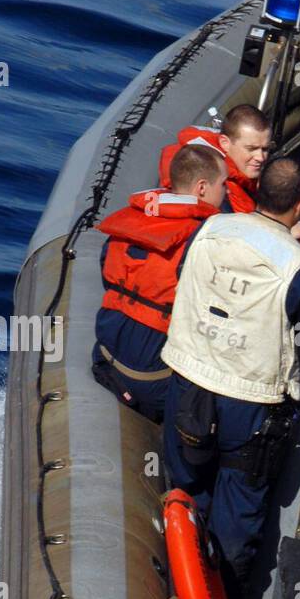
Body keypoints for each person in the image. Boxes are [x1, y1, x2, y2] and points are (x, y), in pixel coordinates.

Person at [161, 157, 300, 599]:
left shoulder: (210, 229)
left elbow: (185, 279)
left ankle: (174, 594)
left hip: (188, 382)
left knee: (184, 490)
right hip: (252, 404)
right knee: (237, 518)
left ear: (256, 193)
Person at [91, 144, 228, 421]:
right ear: (202, 188)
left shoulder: (129, 223)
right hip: (153, 381)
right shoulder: (203, 241)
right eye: (224, 184)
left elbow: (107, 276)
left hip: (104, 357)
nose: (226, 192)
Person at [158, 105, 272, 213]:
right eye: (251, 149)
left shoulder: (245, 180)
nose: (260, 158)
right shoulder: (215, 191)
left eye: (265, 149)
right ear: (225, 143)